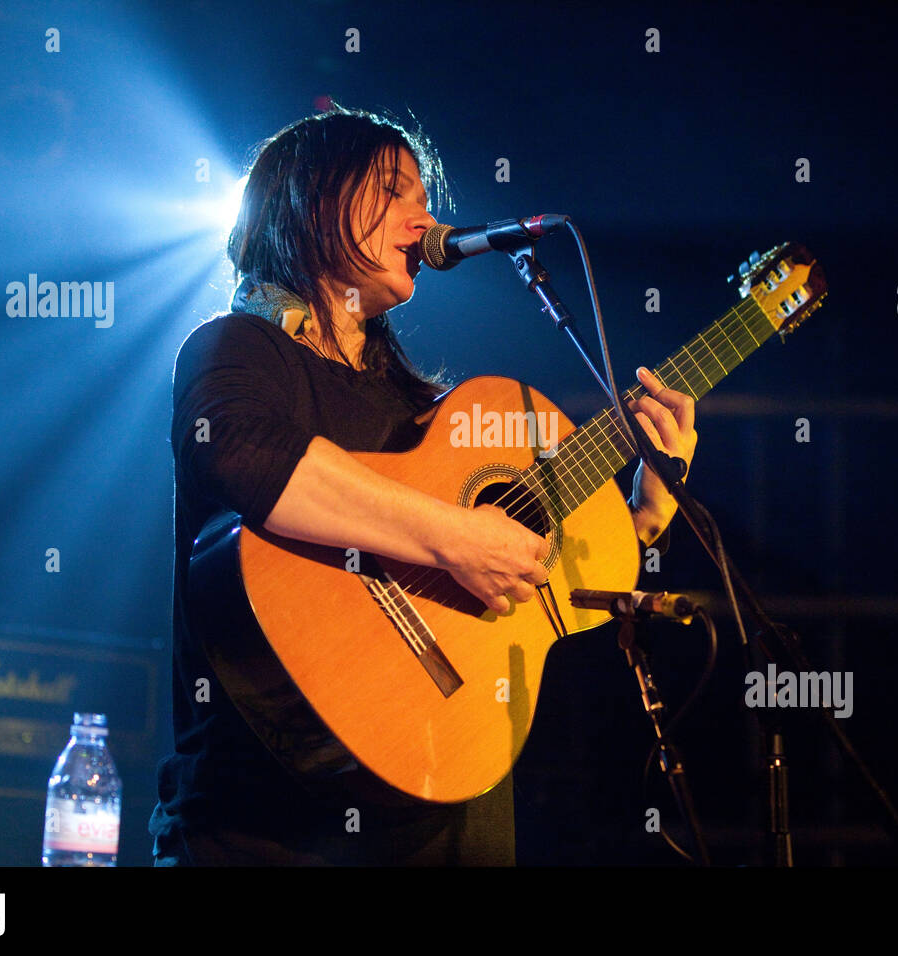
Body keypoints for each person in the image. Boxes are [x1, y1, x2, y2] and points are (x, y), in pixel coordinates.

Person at [149, 106, 697, 865]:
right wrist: (454, 536)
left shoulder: (422, 414)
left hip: (444, 813)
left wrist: (646, 511)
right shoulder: (237, 349)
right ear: (314, 199)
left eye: (423, 195)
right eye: (396, 191)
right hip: (263, 828)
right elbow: (245, 455)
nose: (426, 216)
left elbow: (533, 584)